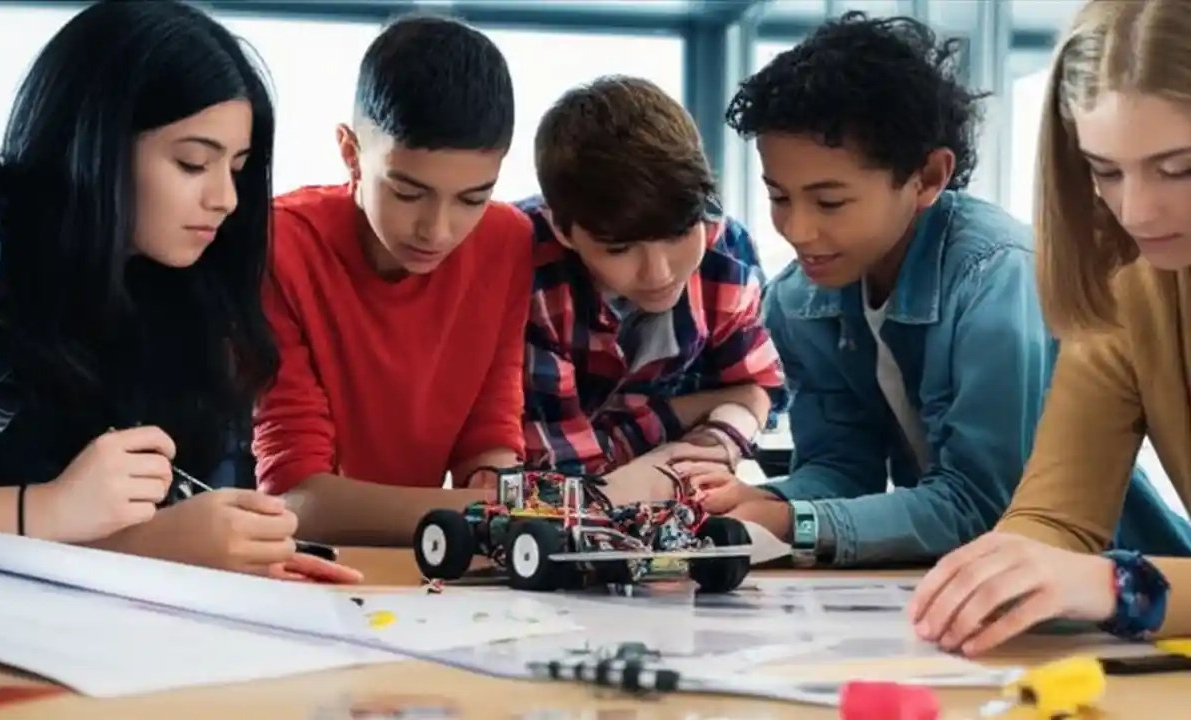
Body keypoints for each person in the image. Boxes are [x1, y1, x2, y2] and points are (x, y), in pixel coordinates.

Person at [686, 11, 1191, 569]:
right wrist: (762, 504)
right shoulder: (798, 300)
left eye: (830, 202)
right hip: (1000, 580)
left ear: (928, 178)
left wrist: (797, 523)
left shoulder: (998, 277)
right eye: (779, 197)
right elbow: (842, 469)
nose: (798, 231)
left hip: (1116, 573)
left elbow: (986, 505)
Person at [0, 0, 359, 582]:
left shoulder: (164, 292)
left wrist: (216, 548)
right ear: (94, 143)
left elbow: (17, 531)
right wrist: (45, 510)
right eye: (193, 163)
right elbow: (38, 517)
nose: (225, 198)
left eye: (238, 169)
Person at [909, 0, 1191, 655]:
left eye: (1180, 169)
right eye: (1105, 170)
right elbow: (1057, 515)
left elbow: (1097, 577)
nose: (1136, 212)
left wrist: (1116, 586)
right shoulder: (1131, 278)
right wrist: (1006, 573)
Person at [252, 14, 534, 546]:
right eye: (408, 193)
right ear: (351, 152)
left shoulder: (507, 240)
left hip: (424, 558)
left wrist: (492, 486)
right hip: (294, 566)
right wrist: (489, 509)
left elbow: (490, 437)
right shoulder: (280, 245)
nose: (438, 230)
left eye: (473, 198)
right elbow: (295, 499)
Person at [517, 75, 785, 502]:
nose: (659, 272)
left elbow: (762, 391)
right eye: (620, 249)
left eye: (679, 234)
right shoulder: (529, 265)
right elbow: (564, 485)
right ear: (563, 229)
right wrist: (688, 416)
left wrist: (719, 435)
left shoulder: (724, 248)